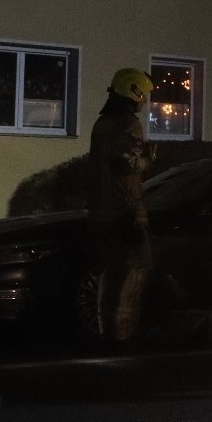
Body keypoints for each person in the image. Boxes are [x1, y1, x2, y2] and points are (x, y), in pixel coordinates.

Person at [86, 68, 157, 344]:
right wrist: (148, 158)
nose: (145, 101)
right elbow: (127, 164)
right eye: (143, 95)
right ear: (132, 91)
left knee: (111, 270)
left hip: (100, 211)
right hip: (125, 211)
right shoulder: (129, 124)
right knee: (138, 265)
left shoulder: (101, 124)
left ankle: (107, 331)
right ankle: (125, 332)